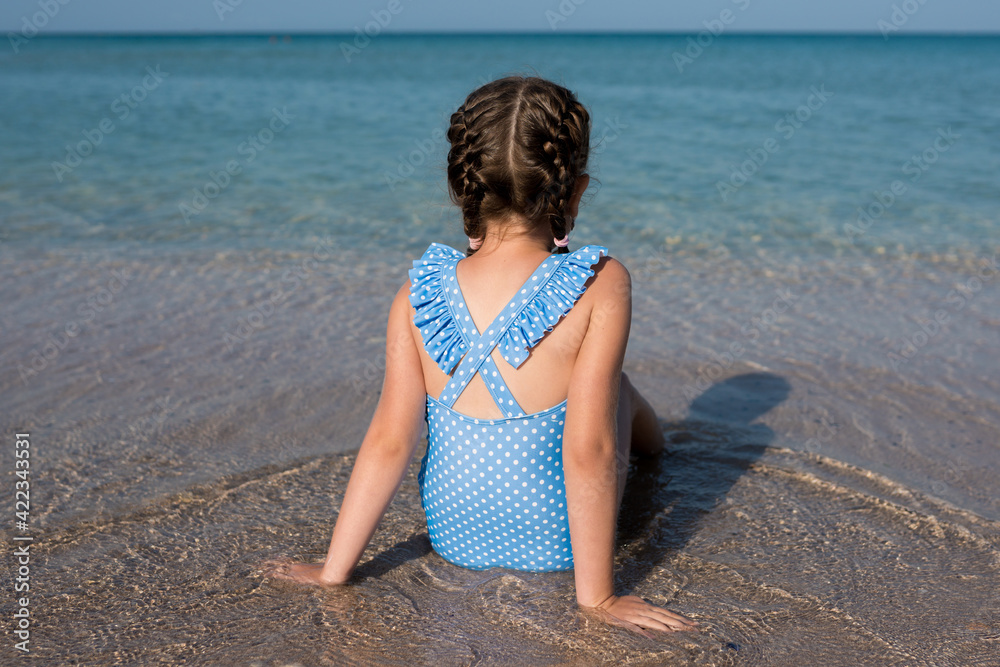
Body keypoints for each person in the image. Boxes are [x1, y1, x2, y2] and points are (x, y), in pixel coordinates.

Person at [264, 75, 700, 634]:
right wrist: (598, 600)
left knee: (599, 387)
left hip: (454, 536)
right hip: (555, 541)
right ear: (576, 191)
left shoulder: (416, 293)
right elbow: (588, 449)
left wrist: (332, 571)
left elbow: (390, 441)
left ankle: (642, 428)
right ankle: (658, 444)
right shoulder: (601, 284)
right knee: (610, 395)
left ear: (464, 188)